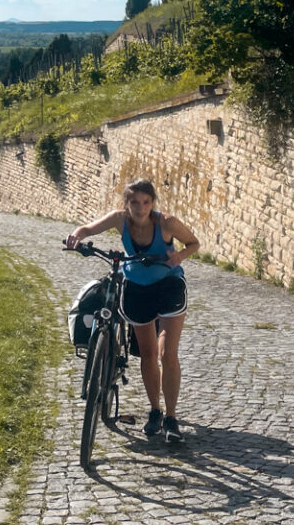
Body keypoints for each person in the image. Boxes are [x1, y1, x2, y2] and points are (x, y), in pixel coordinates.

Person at [64, 178, 199, 444]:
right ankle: (155, 411)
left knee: (166, 353)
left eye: (146, 202)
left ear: (153, 203)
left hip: (169, 286)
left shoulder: (166, 223)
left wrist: (179, 257)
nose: (140, 208)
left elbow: (193, 243)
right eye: (134, 202)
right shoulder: (119, 219)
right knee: (147, 355)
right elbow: (88, 228)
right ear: (126, 203)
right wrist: (77, 236)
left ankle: (171, 417)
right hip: (137, 288)